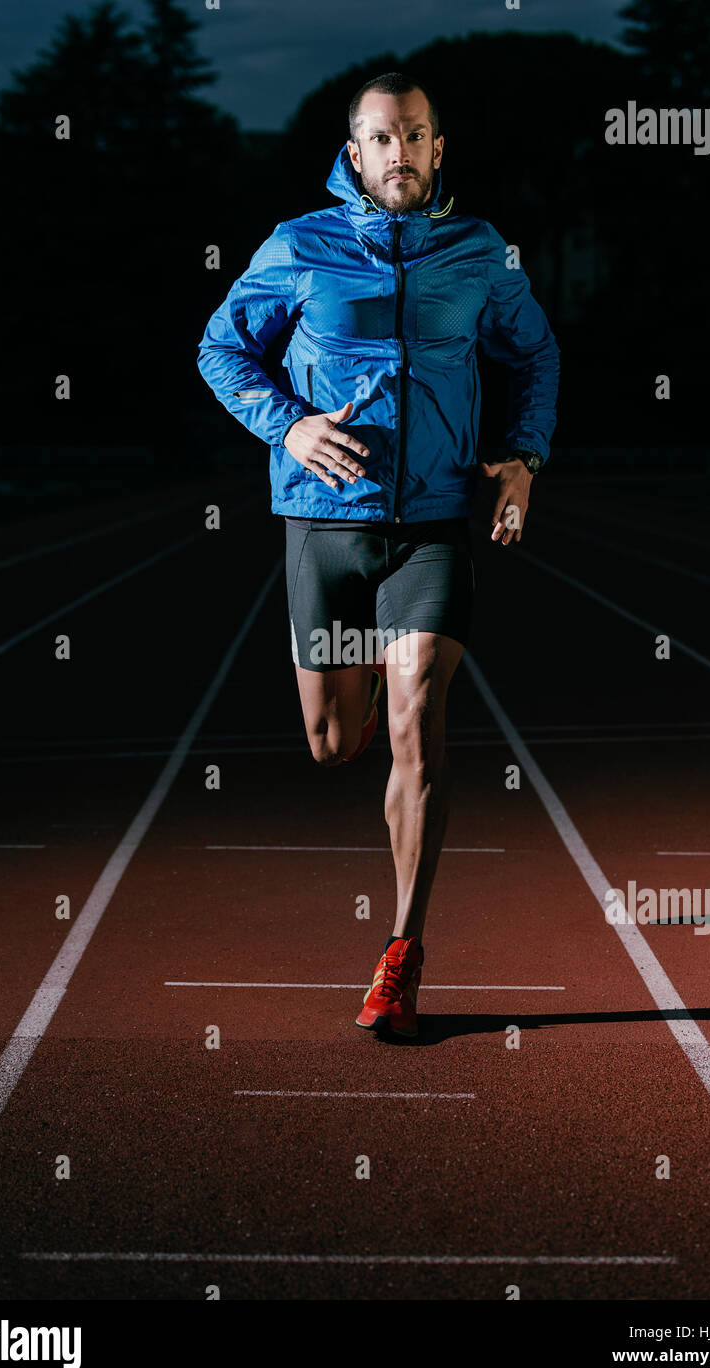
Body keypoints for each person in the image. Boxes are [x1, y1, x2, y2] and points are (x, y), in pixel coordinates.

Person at [197, 71, 559, 1039]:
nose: (401, 149)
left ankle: (401, 953)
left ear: (440, 150)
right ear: (354, 154)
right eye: (382, 137)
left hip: (436, 522)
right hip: (324, 520)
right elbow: (221, 351)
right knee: (332, 741)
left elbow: (534, 354)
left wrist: (522, 460)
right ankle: (347, 714)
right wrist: (291, 426)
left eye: (418, 134)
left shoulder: (478, 252)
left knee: (420, 718)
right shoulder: (298, 246)